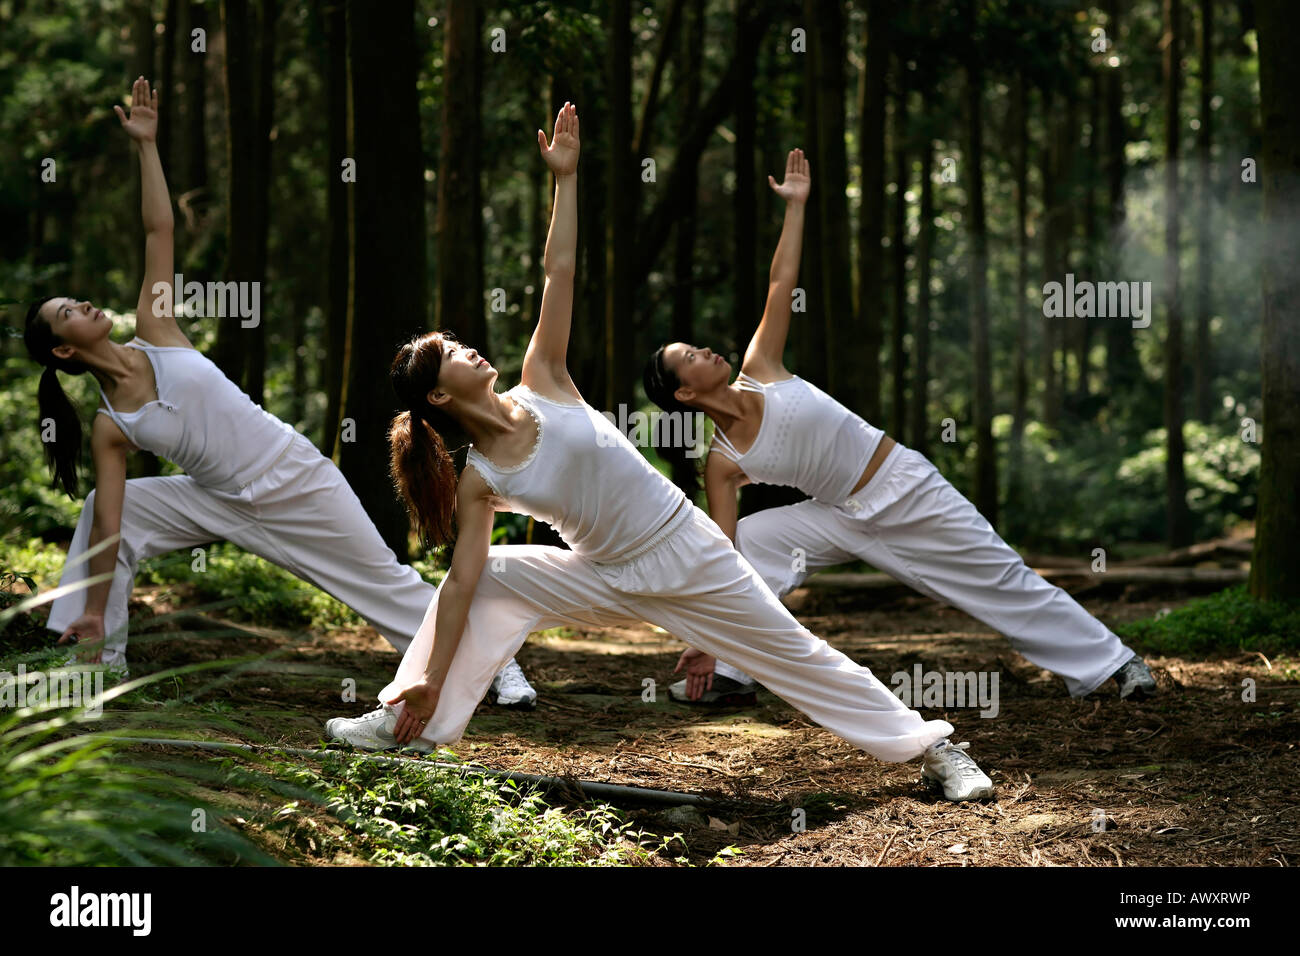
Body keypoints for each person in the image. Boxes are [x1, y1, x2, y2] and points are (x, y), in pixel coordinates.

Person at [325, 104, 995, 802]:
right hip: (605, 573)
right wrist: (429, 677)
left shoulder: (544, 379)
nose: (467, 348)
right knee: (487, 573)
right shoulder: (480, 477)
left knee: (800, 657)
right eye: (450, 356)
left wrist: (567, 180)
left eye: (459, 342)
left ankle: (939, 750)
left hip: (690, 551)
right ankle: (406, 717)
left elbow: (560, 272)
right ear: (437, 397)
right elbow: (461, 585)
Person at [25, 77, 534, 707]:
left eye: (74, 300)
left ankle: (495, 664)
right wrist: (98, 608)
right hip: (217, 498)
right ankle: (95, 650)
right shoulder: (110, 425)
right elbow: (108, 530)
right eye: (66, 312)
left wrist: (147, 147)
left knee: (381, 581)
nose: (81, 303)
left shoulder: (156, 330)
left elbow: (160, 231)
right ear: (65, 350)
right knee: (111, 510)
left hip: (291, 475)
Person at [642, 148, 1157, 708]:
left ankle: (1113, 662)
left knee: (998, 576)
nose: (706, 350)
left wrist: (796, 208)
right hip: (841, 515)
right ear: (685, 392)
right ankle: (734, 672)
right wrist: (705, 636)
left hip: (903, 486)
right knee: (754, 542)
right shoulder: (722, 461)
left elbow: (780, 281)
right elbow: (725, 558)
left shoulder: (761, 368)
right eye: (690, 355)